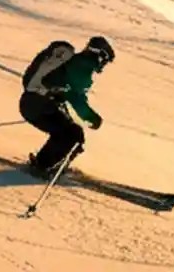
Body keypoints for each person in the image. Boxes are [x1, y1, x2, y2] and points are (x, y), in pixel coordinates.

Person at [19, 36, 115, 174]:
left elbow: (72, 93)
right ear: (100, 56)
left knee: (69, 133)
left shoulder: (79, 64)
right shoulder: (80, 67)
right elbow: (76, 98)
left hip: (36, 104)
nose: (104, 66)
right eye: (105, 61)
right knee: (72, 135)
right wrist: (91, 117)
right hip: (40, 106)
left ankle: (44, 164)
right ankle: (42, 167)